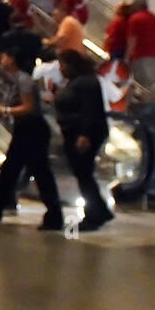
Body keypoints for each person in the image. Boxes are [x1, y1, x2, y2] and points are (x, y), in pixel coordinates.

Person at [0, 48, 63, 230]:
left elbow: (29, 107)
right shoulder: (17, 80)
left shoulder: (23, 80)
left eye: (5, 55)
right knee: (15, 171)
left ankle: (53, 215)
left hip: (32, 130)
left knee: (33, 172)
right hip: (27, 129)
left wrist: (4, 111)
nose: (2, 58)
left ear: (13, 60)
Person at [53, 50, 113, 231]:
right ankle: (100, 210)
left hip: (82, 133)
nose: (61, 69)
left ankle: (94, 213)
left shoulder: (85, 83)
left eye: (62, 65)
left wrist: (85, 134)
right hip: (75, 131)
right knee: (83, 174)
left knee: (83, 174)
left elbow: (90, 110)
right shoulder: (78, 82)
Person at [126, 0, 155, 94]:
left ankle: (143, 101)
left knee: (141, 82)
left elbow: (132, 39)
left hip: (140, 54)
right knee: (154, 81)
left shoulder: (135, 19)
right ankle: (154, 98)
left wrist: (128, 55)